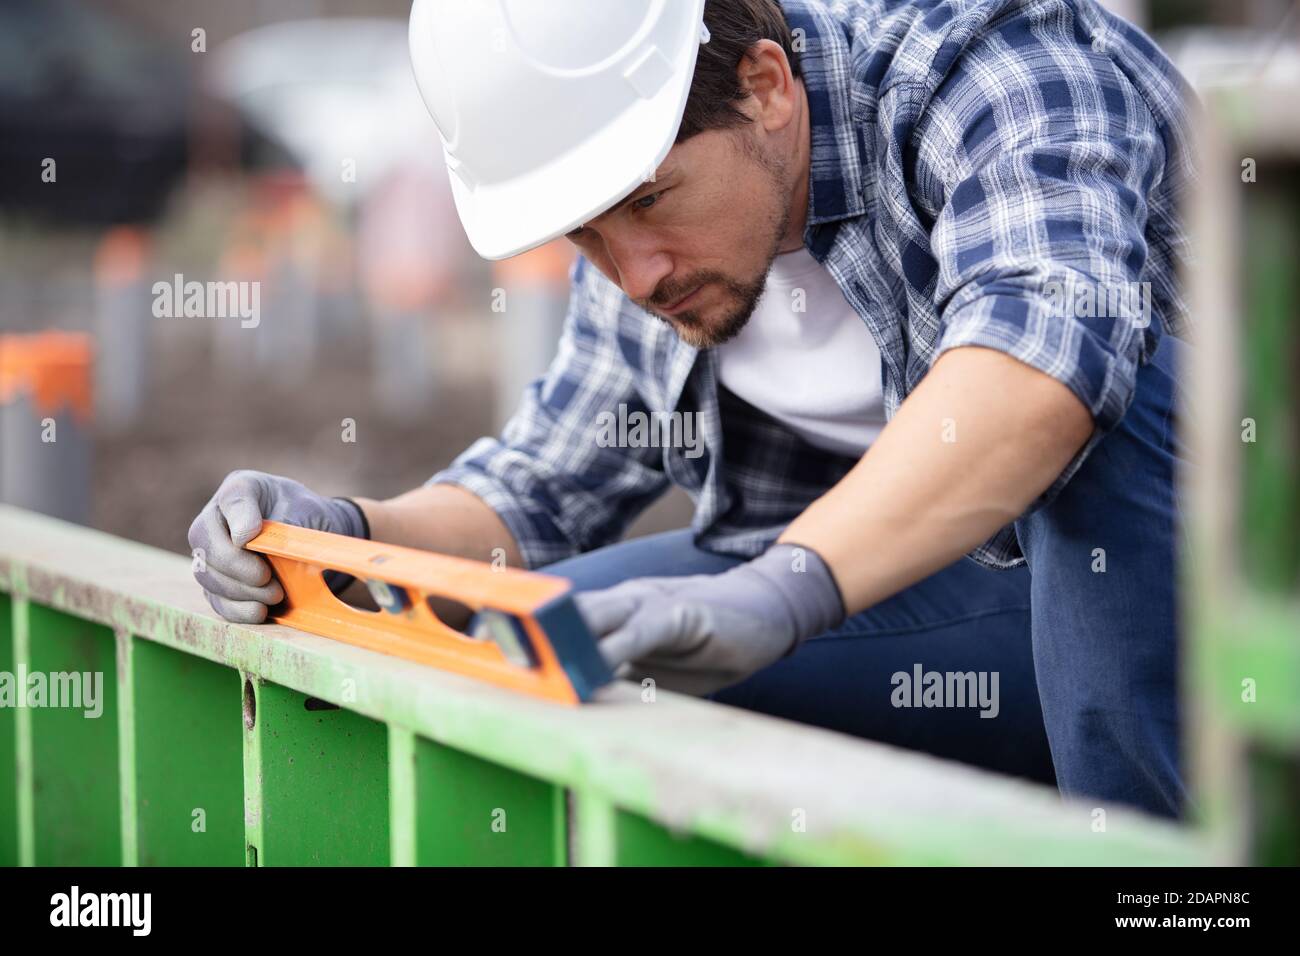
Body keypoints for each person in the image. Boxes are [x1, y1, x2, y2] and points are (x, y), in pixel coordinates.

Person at [190, 0, 1195, 819]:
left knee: (1115, 392)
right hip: (972, 627)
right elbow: (536, 490)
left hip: (1212, 618)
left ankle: (1161, 878)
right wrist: (350, 531)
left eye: (648, 202)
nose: (633, 274)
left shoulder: (989, 63)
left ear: (764, 85)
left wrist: (784, 588)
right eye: (587, 236)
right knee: (553, 643)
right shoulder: (648, 250)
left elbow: (1042, 360)